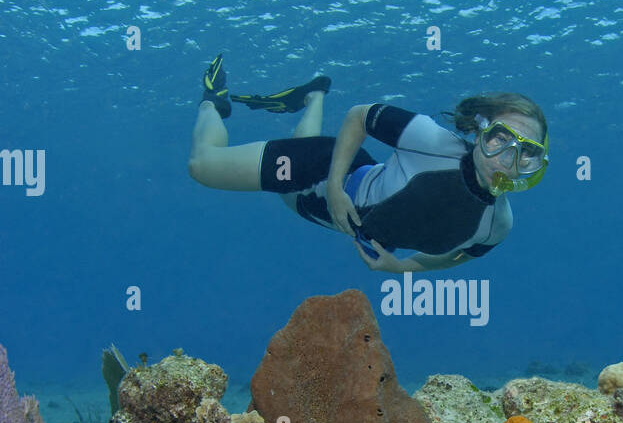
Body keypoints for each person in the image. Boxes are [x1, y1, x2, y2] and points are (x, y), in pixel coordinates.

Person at [188, 55, 548, 273]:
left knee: (289, 197)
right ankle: (212, 103)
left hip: (319, 206)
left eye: (526, 151)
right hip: (323, 170)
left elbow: (461, 256)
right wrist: (333, 188)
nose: (507, 158)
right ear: (480, 131)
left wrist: (404, 266)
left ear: (535, 164)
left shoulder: (498, 224)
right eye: (500, 138)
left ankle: (313, 95)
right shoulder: (430, 139)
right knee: (202, 166)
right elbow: (360, 116)